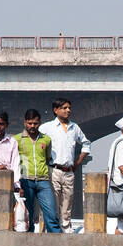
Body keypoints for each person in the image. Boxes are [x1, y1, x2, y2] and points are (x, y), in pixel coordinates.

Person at [40, 98, 90, 231]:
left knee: (68, 201)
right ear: (55, 110)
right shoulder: (47, 127)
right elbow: (37, 143)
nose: (68, 110)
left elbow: (86, 144)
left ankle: (66, 227)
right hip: (54, 169)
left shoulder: (74, 127)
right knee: (53, 201)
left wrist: (78, 163)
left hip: (69, 171)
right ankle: (51, 227)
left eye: (69, 108)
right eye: (64, 108)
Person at [12, 109, 58, 233]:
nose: (32, 126)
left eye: (35, 123)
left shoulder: (46, 139)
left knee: (52, 214)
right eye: (30, 123)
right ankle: (29, 243)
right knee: (28, 215)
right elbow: (14, 161)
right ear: (25, 123)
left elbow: (47, 158)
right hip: (26, 181)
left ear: (40, 123)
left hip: (43, 181)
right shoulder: (16, 140)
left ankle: (57, 243)